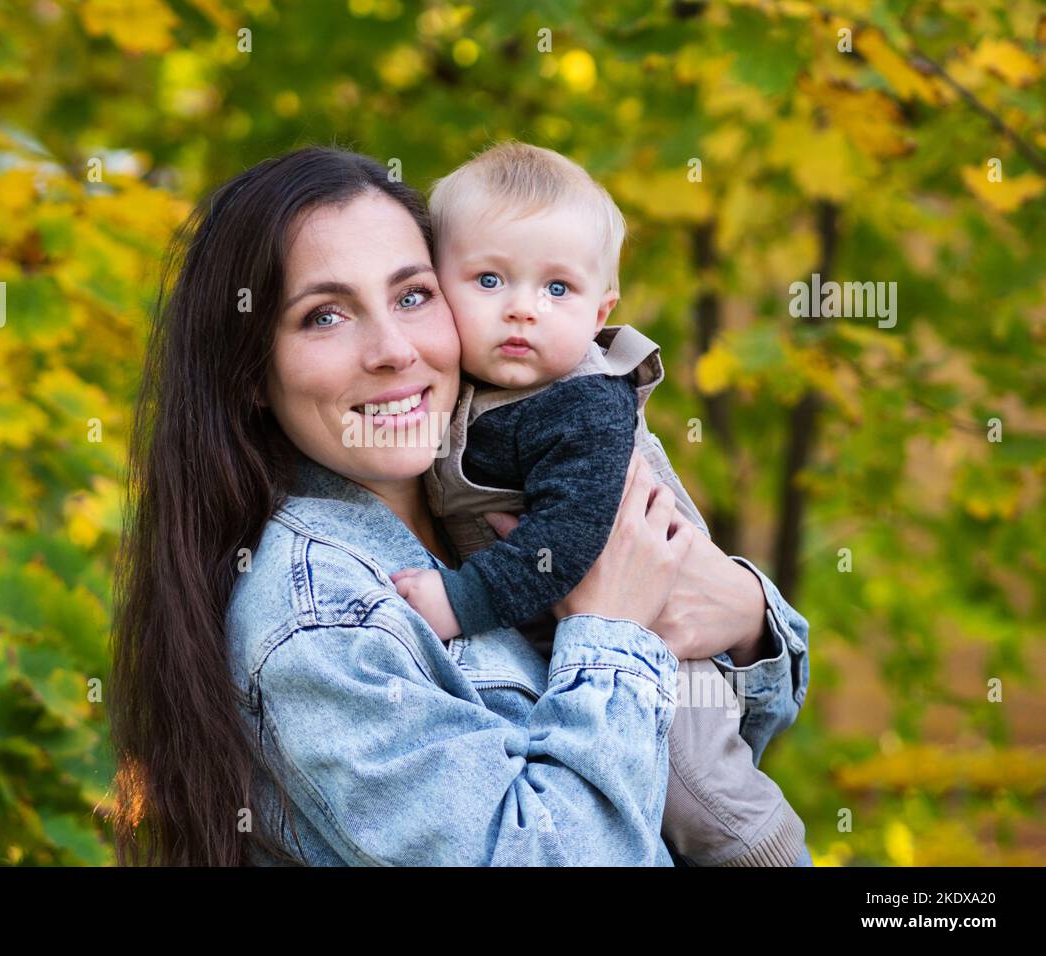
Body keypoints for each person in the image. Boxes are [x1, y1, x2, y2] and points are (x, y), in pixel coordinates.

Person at [109, 146, 811, 866]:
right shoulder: (320, 620)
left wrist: (746, 613)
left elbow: (727, 747)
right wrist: (612, 632)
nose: (392, 350)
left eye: (412, 296)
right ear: (251, 369)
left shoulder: (496, 478)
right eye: (325, 316)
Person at [391, 141, 809, 866]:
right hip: (586, 651)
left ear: (600, 310)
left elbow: (574, 536)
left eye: (557, 290)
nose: (522, 309)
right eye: (489, 280)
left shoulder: (577, 403)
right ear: (436, 283)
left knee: (712, 812)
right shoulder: (471, 393)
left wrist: (458, 601)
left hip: (662, 660)